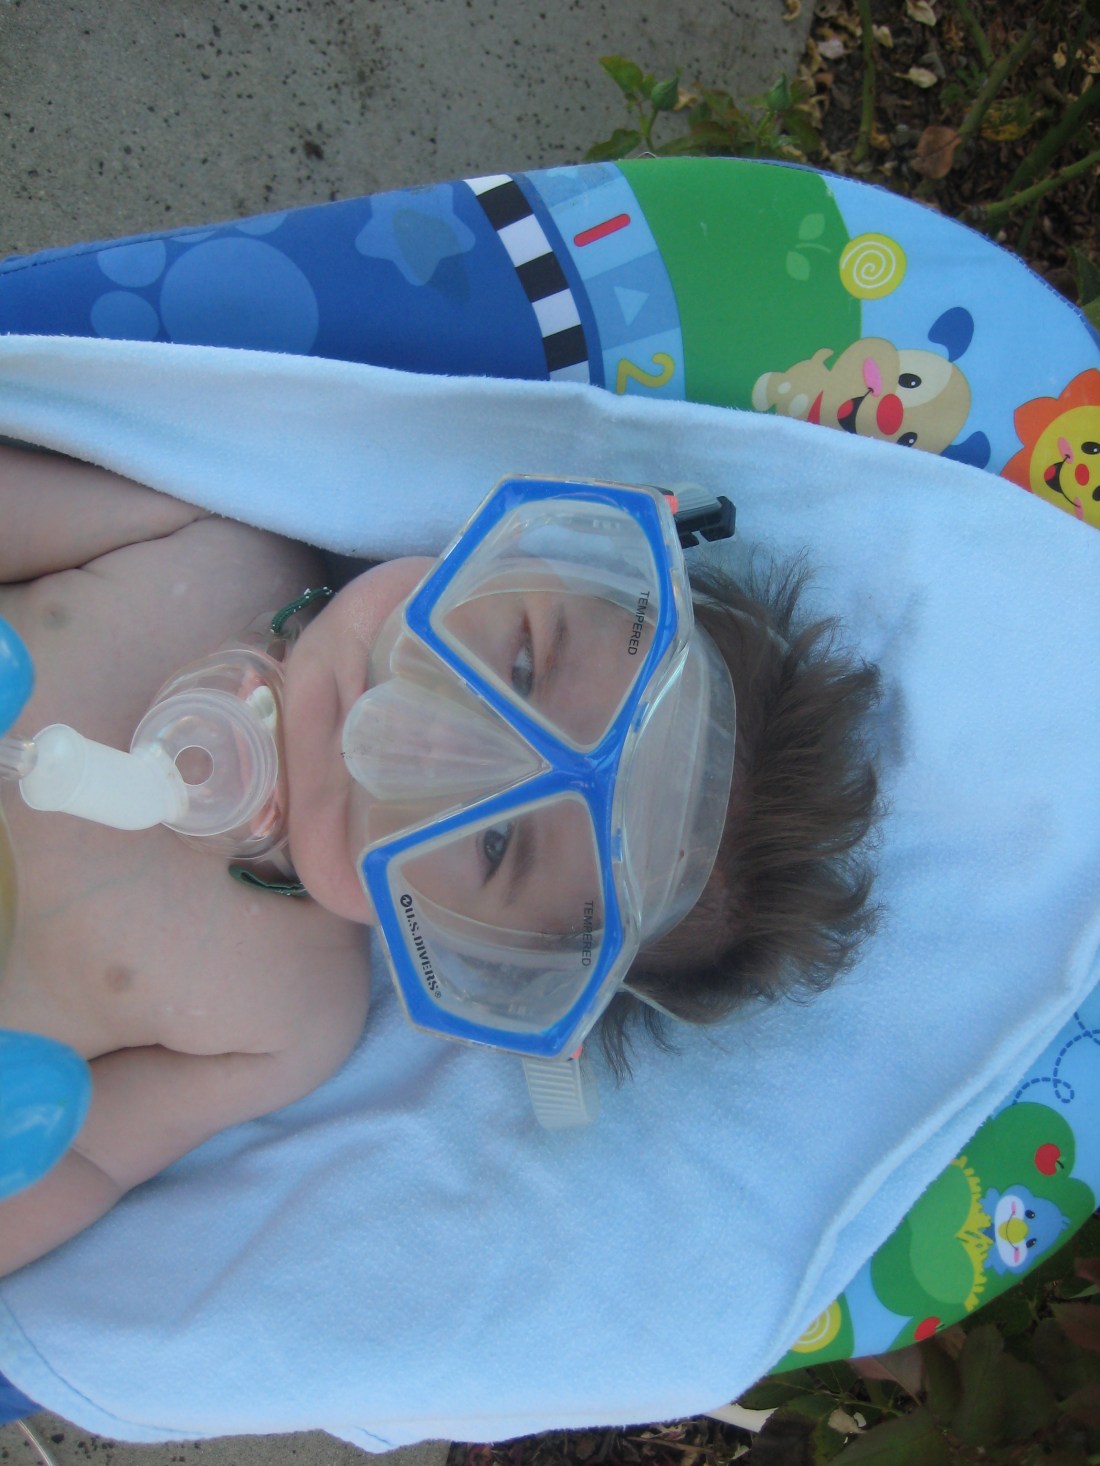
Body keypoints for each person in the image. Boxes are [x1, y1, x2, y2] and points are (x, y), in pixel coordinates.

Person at [0, 443, 880, 1276]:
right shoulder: (211, 544)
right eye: (523, 665)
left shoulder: (289, 1018)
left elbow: (83, 1159)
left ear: (483, 959)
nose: (423, 735)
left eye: (497, 842)